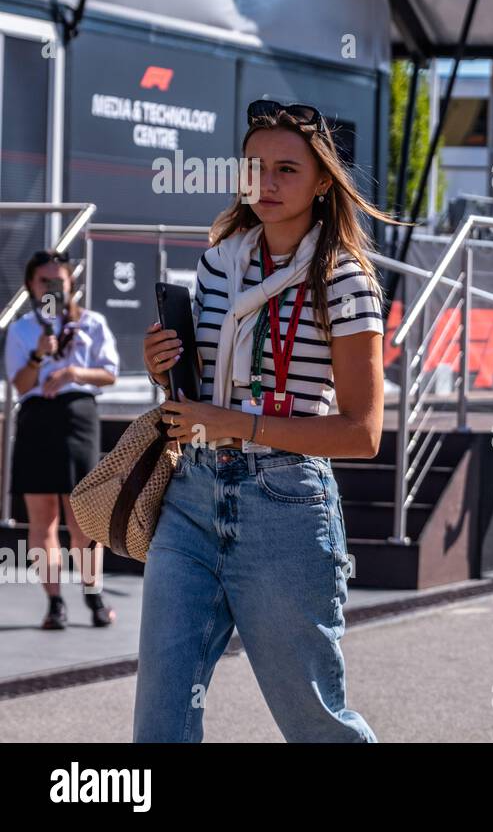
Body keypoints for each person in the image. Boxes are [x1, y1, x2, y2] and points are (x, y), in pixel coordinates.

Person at [134, 100, 389, 742]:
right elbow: (205, 385)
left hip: (285, 502)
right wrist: (161, 364)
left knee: (315, 723)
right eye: (253, 168)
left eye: (285, 169)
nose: (265, 185)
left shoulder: (344, 278)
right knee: (160, 720)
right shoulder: (220, 261)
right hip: (190, 493)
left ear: (323, 181)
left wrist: (234, 423)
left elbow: (362, 433)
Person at [4, 249, 119, 629]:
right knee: (42, 521)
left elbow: (110, 374)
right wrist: (38, 356)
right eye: (43, 281)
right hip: (37, 420)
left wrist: (74, 372)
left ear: (71, 283)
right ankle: (54, 602)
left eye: (59, 280)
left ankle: (93, 595)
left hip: (78, 419)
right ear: (31, 286)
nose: (51, 287)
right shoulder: (22, 329)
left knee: (82, 518)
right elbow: (19, 385)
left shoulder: (93, 323)